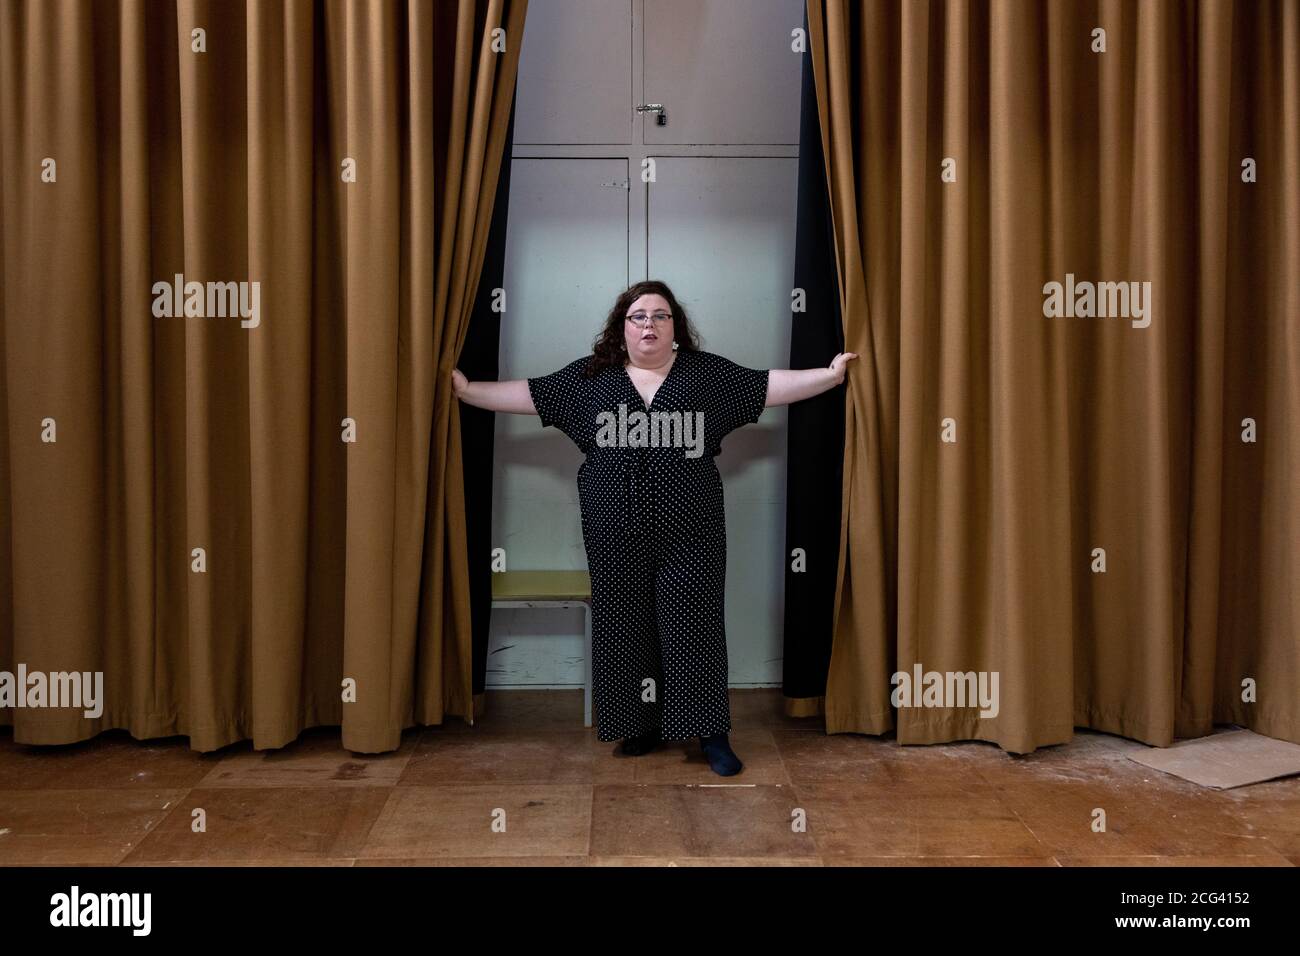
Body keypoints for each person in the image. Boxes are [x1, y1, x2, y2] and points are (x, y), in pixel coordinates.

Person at [453, 279, 856, 775]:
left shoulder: (706, 376)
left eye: (660, 316)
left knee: (695, 625)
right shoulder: (590, 379)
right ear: (621, 329)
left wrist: (831, 376)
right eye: (638, 316)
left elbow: (769, 386)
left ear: (675, 329)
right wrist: (468, 391)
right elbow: (528, 395)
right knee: (624, 624)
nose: (649, 324)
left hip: (693, 528)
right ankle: (639, 725)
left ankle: (712, 735)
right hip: (612, 527)